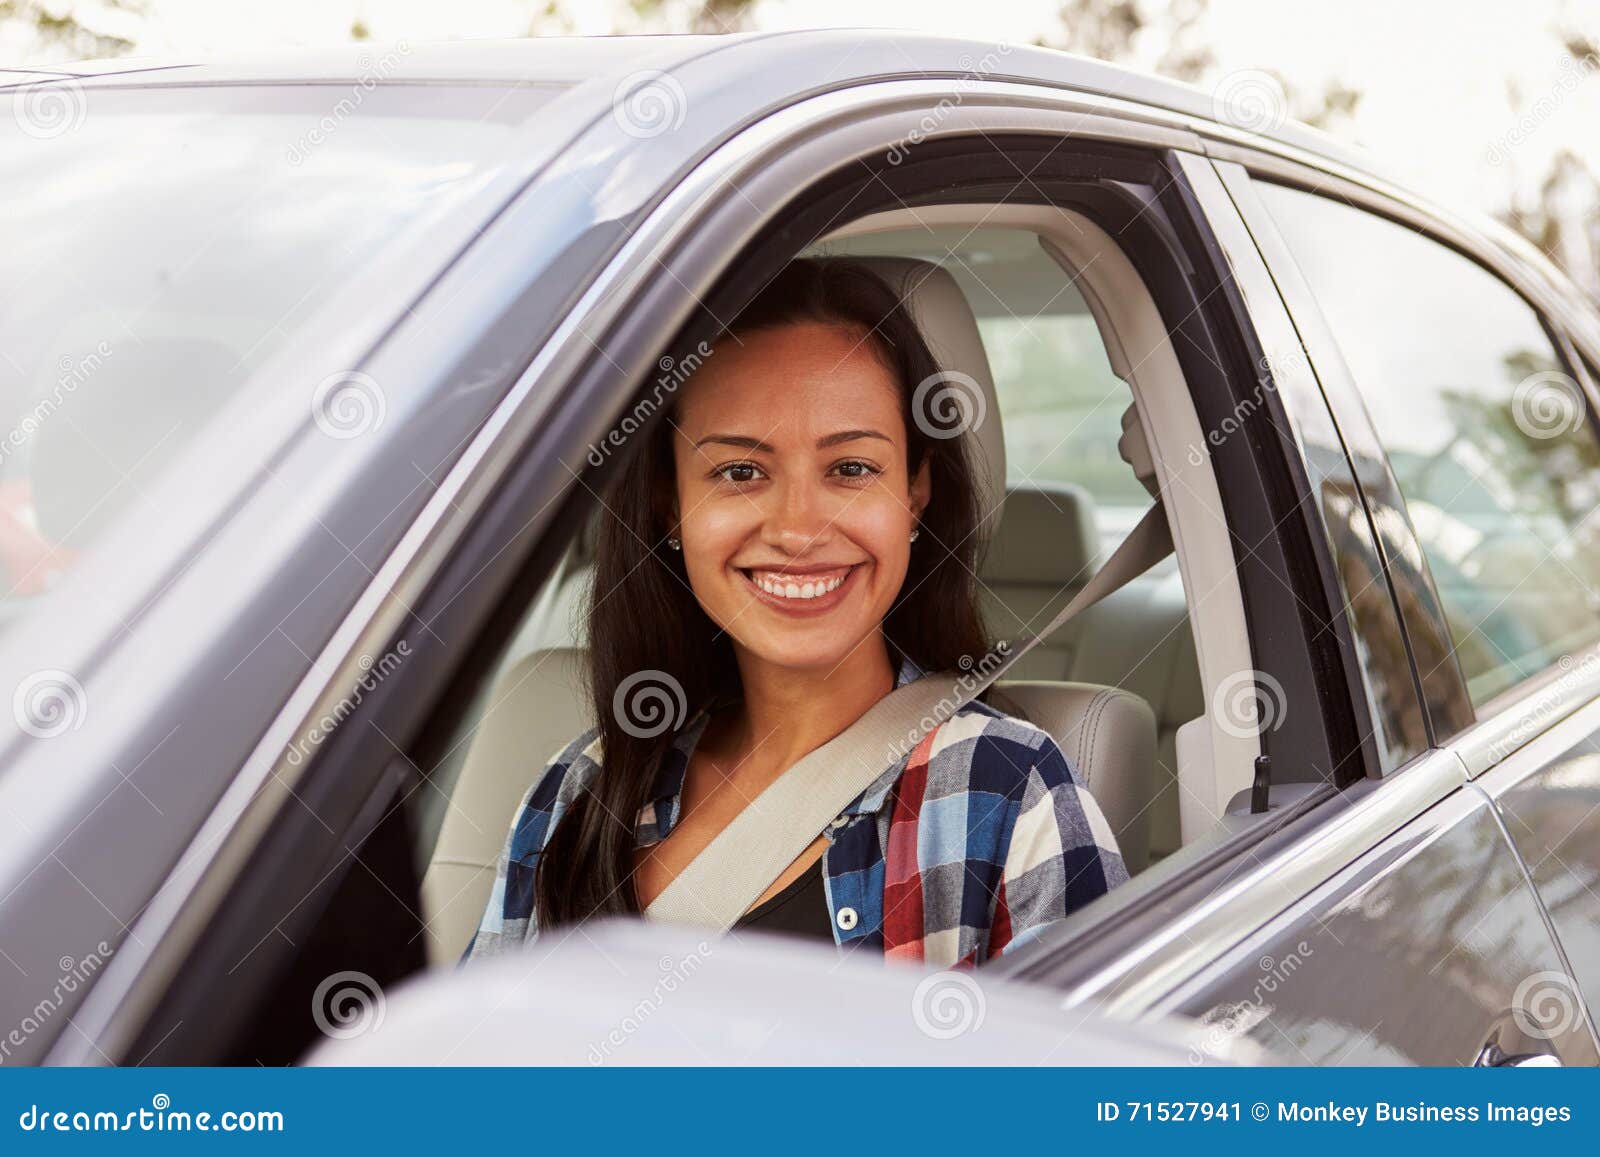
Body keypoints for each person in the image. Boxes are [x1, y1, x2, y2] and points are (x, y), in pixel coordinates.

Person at [467, 258, 1125, 967]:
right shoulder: (576, 792)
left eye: (851, 469)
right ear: (669, 506)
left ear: (915, 493)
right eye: (740, 472)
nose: (799, 530)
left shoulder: (1005, 791)